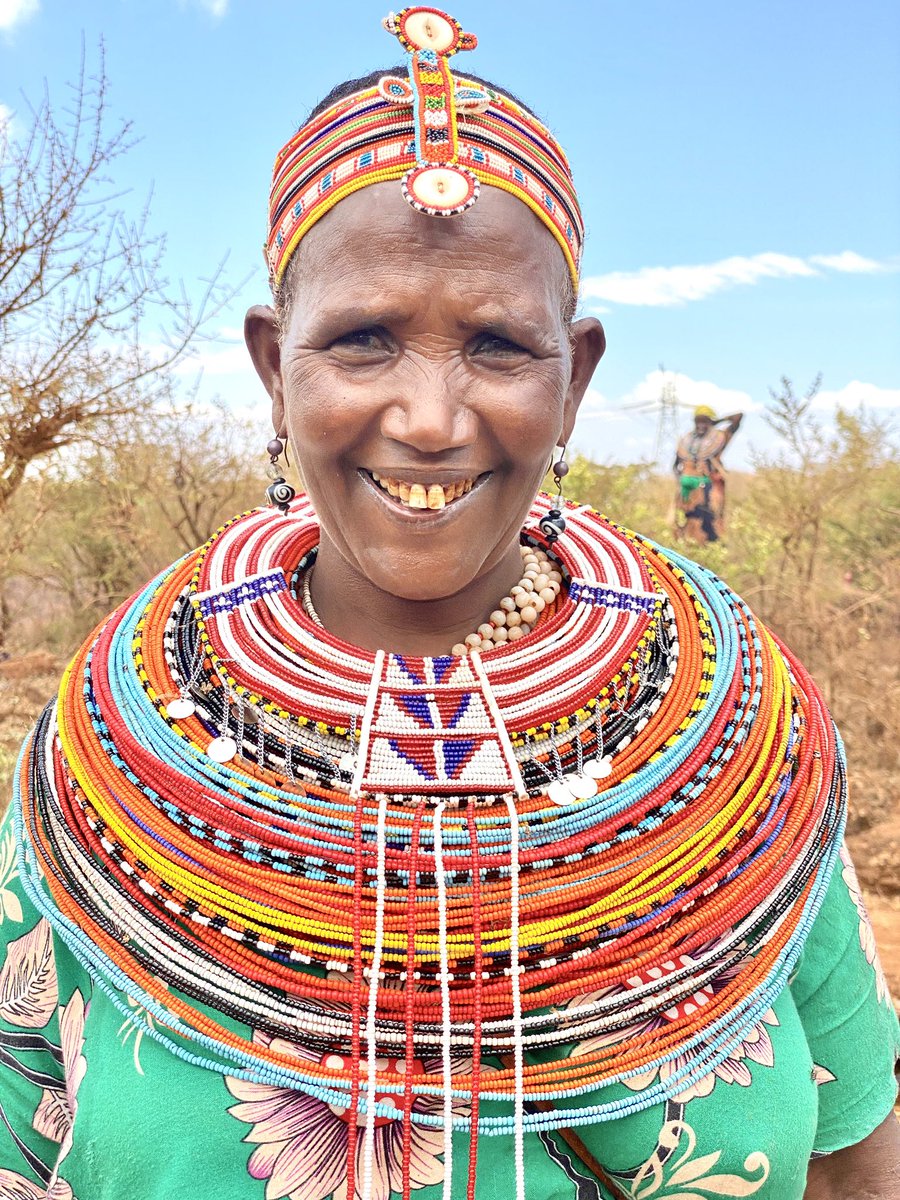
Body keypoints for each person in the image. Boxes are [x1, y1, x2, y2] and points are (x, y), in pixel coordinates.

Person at [1, 9, 897, 1199]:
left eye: (496, 344)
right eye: (363, 339)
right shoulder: (117, 737)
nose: (430, 416)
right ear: (277, 367)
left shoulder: (738, 727)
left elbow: (852, 1156)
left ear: (575, 377)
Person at [674, 406, 744, 542]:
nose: (701, 425)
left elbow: (738, 416)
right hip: (687, 487)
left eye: (704, 421)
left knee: (712, 515)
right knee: (683, 517)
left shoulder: (719, 437)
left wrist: (717, 421)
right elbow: (676, 465)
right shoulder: (686, 441)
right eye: (698, 421)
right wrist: (682, 481)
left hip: (709, 485)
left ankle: (714, 544)